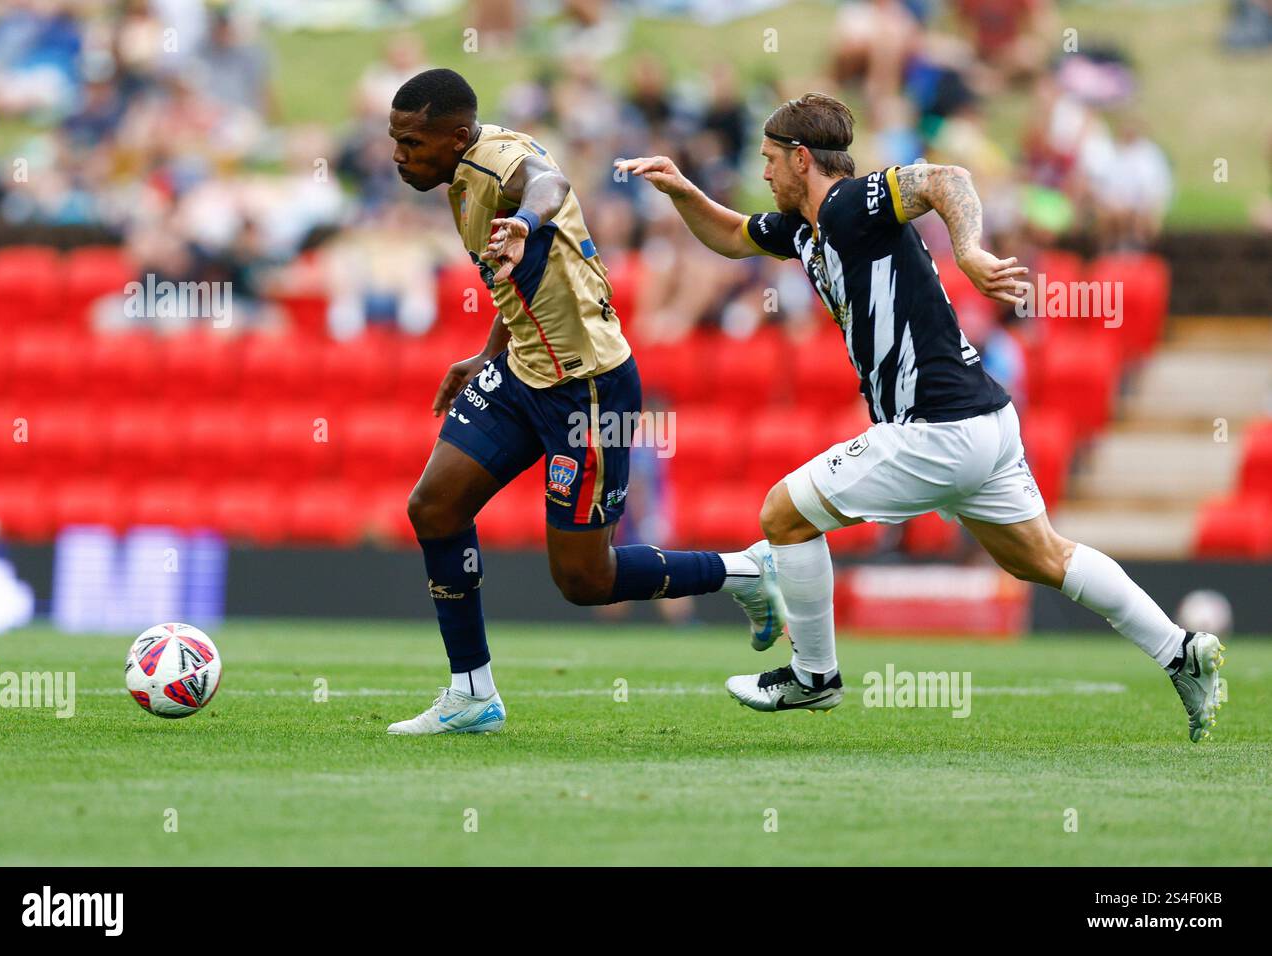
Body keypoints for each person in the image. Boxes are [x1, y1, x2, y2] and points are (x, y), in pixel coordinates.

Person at [618, 92, 1225, 742]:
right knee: (1042, 559)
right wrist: (679, 189)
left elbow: (947, 178)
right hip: (984, 423)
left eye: (769, 160)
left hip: (936, 429)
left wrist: (967, 250)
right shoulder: (803, 229)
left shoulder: (852, 203)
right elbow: (731, 236)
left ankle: (814, 676)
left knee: (782, 515)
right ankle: (1179, 651)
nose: (762, 173)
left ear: (802, 159)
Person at [385, 69, 783, 736]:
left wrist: (525, 220)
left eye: (411, 143)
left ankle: (743, 569)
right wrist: (487, 354)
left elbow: (551, 184)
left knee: (584, 580)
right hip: (520, 374)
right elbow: (517, 281)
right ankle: (471, 694)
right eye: (395, 141)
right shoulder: (457, 178)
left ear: (456, 138)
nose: (398, 155)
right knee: (435, 506)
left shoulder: (507, 165)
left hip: (587, 388)